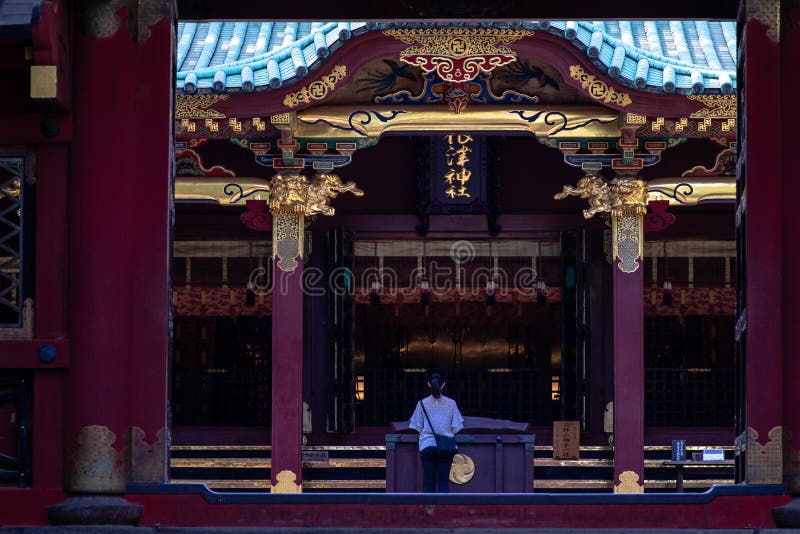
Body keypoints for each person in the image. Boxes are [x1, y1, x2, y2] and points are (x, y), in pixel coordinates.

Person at [408, 372, 464, 493]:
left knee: (429, 483)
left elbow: (417, 426)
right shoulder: (452, 403)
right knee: (443, 483)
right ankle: (444, 510)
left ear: (428, 384)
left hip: (427, 446)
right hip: (446, 447)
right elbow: (456, 427)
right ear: (443, 385)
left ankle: (429, 510)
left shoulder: (421, 403)